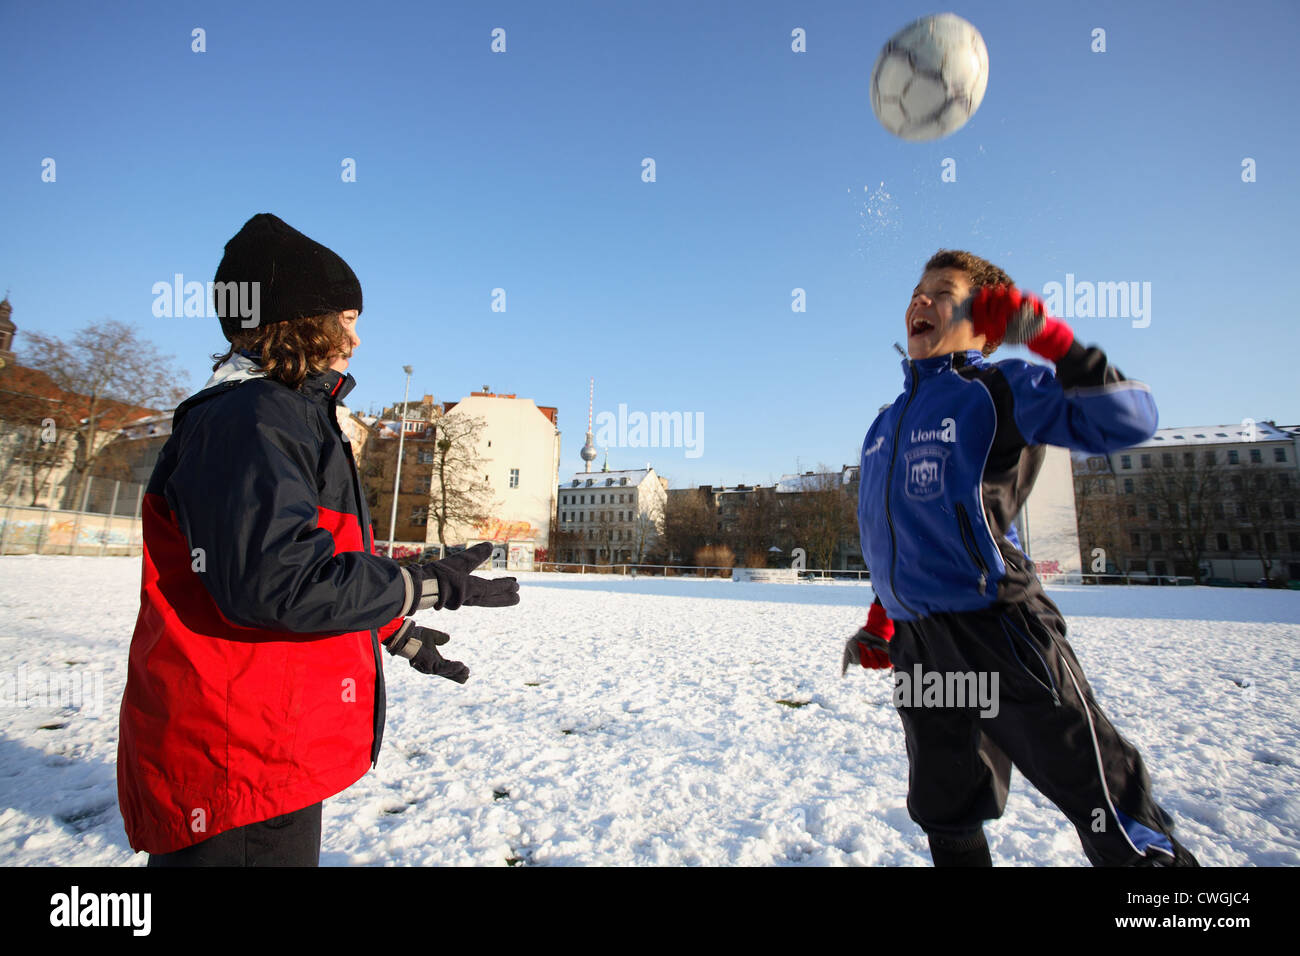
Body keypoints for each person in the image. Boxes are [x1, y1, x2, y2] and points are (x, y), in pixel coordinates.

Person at [117, 213, 519, 866]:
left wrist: (389, 627)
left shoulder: (290, 414)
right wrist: (425, 586)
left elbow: (303, 561)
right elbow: (277, 583)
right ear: (303, 317)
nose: (357, 340)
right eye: (349, 318)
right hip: (234, 756)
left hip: (267, 745)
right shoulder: (250, 419)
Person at [842, 248, 1198, 867]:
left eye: (941, 291)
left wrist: (1047, 337)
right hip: (923, 645)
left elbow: (1130, 419)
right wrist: (883, 619)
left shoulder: (998, 388)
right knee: (945, 804)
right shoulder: (884, 424)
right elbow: (897, 532)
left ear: (988, 322)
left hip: (1000, 629)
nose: (918, 301)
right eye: (916, 290)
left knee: (1105, 802)